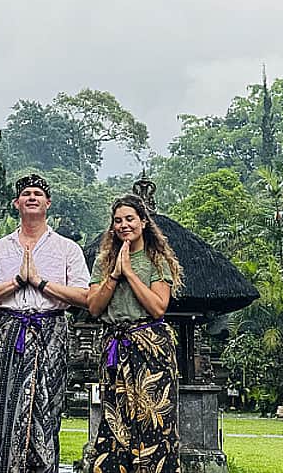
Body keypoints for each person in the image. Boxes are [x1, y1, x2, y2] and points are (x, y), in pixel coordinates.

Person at [0, 173, 90, 472]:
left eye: (38, 193)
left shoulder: (66, 249)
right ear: (16, 203)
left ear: (48, 203)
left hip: (51, 332)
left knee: (46, 412)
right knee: (0, 411)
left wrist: (39, 282)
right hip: (7, 331)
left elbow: (84, 296)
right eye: (26, 194)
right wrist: (17, 281)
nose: (32, 197)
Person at [86, 192, 183, 473]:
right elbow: (93, 307)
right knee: (117, 418)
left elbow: (158, 307)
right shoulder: (104, 261)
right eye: (117, 220)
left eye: (130, 218)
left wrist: (129, 273)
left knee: (154, 419)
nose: (123, 225)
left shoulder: (156, 259)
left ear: (143, 221)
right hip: (117, 345)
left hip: (151, 347)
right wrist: (115, 274)